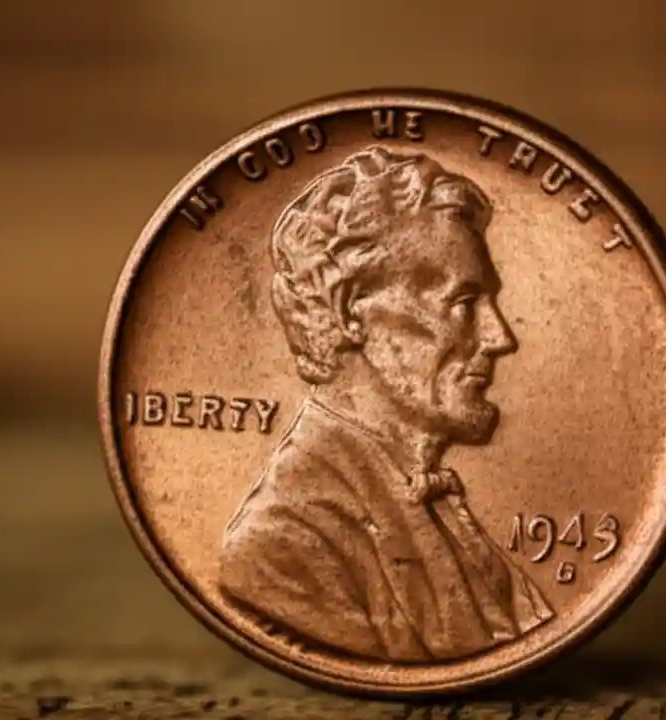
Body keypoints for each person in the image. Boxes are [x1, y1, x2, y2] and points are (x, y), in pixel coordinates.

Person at [219, 146, 553, 662]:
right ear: (349, 312)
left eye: (491, 303)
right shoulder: (282, 543)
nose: (499, 336)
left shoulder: (435, 502)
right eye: (463, 303)